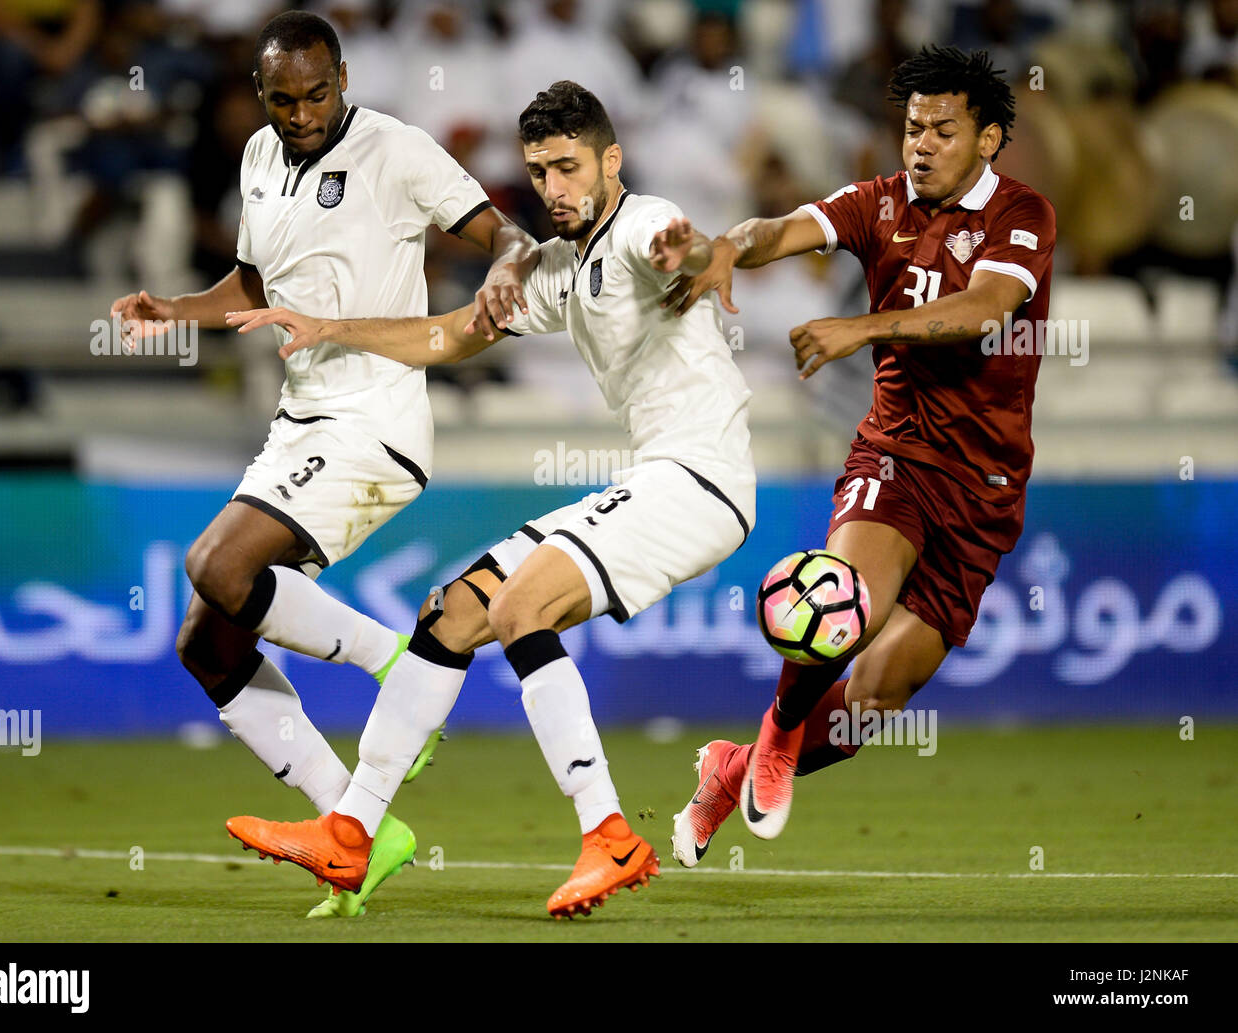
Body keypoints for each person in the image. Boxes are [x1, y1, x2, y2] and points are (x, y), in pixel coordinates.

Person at [221, 80, 757, 919]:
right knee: (452, 615)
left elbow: (683, 250)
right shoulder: (552, 267)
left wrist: (692, 250)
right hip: (654, 477)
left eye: (570, 168)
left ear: (611, 161)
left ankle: (608, 833)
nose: (555, 188)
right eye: (540, 172)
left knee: (520, 607)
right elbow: (449, 335)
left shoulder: (646, 225)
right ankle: (352, 832)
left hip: (700, 481)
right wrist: (334, 330)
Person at [108, 10, 539, 916]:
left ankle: (397, 665)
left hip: (375, 419)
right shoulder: (260, 158)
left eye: (316, 94)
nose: (300, 113)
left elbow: (499, 230)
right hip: (300, 419)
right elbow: (259, 286)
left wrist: (505, 269)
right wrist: (173, 309)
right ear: (259, 96)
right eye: (281, 99)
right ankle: (358, 825)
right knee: (204, 639)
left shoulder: (397, 150)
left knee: (217, 565)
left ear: (343, 77)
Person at [661, 45, 1056, 862]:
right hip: (897, 455)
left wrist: (861, 328)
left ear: (987, 139)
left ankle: (730, 771)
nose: (920, 144)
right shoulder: (879, 203)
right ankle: (773, 737)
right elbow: (784, 228)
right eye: (913, 127)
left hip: (985, 491)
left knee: (874, 700)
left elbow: (985, 309)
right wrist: (728, 246)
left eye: (943, 130)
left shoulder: (1023, 215)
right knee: (845, 605)